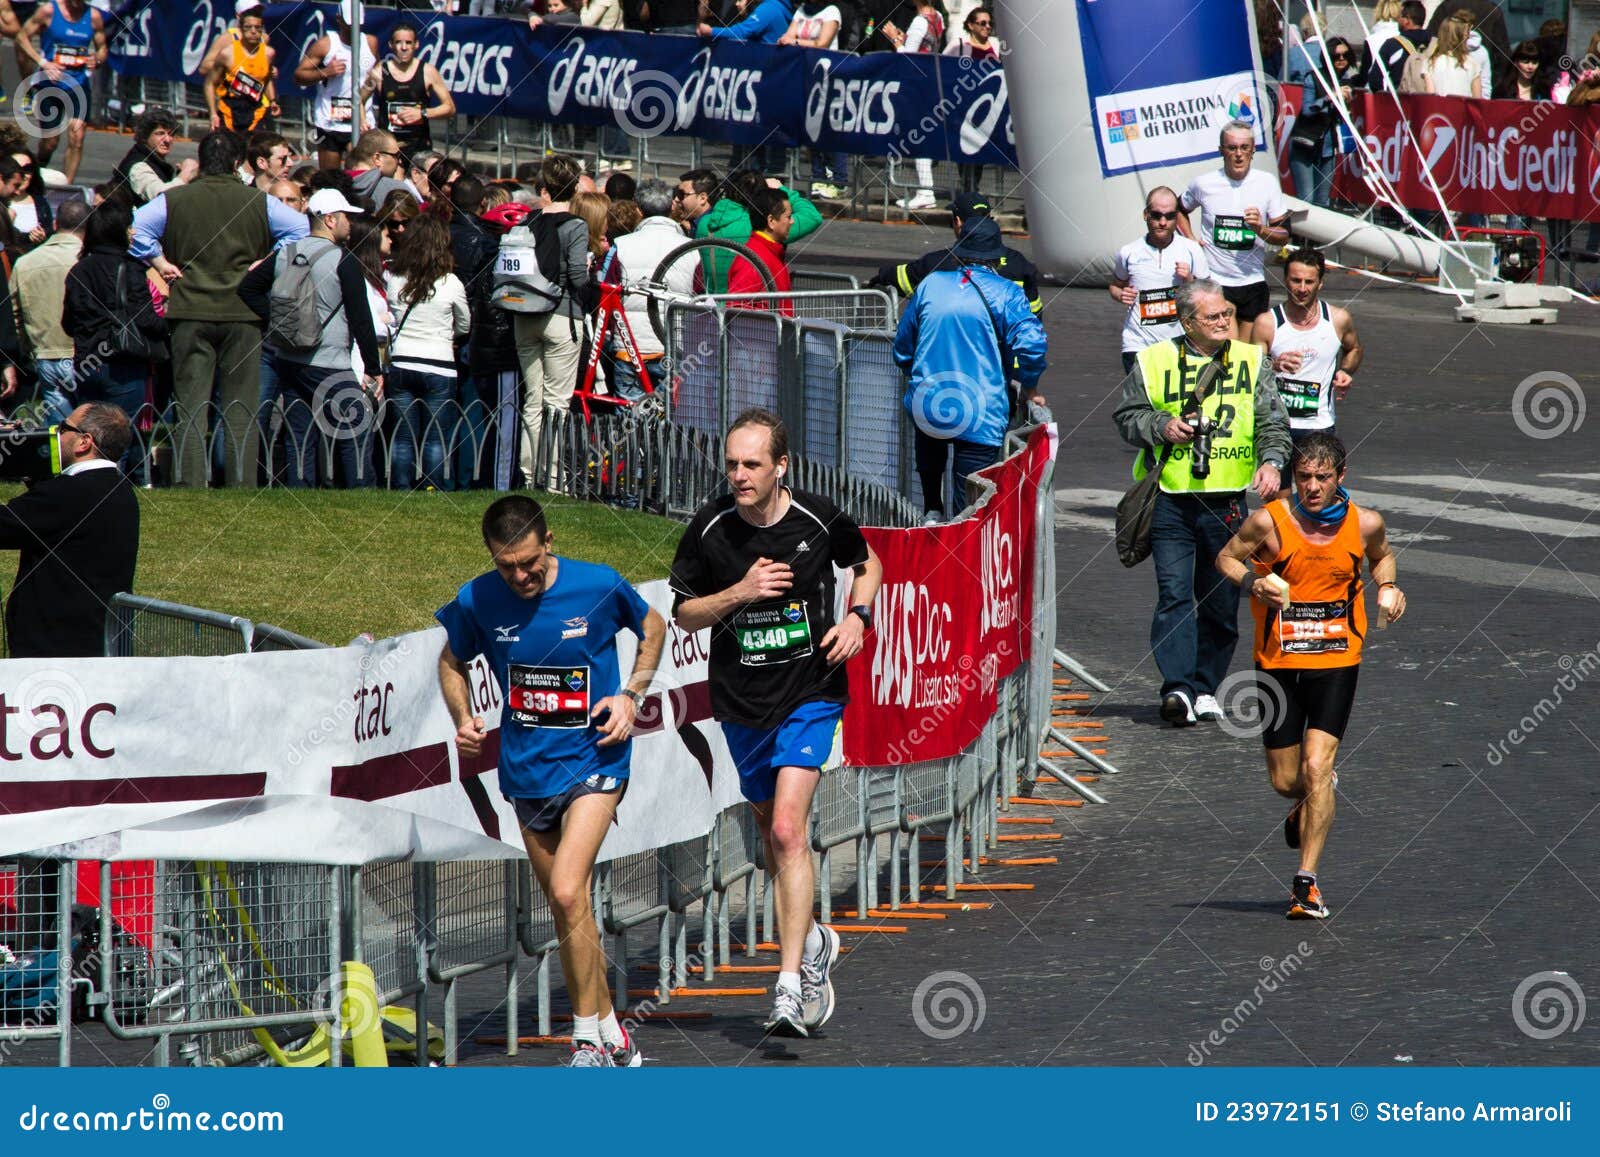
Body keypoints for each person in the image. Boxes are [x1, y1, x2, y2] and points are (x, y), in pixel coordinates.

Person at [669, 408, 881, 1037]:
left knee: (789, 828)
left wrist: (857, 619)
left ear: (780, 466)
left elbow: (867, 564)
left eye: (752, 464)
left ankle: (790, 983)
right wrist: (741, 591)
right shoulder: (709, 527)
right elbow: (684, 614)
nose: (739, 475)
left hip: (811, 692)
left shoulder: (818, 517)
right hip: (742, 702)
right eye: (732, 464)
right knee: (770, 832)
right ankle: (813, 938)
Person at [438, 495, 665, 1065]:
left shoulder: (597, 585)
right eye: (506, 566)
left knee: (567, 889)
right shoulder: (477, 599)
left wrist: (631, 695)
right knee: (568, 910)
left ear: (549, 542)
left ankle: (585, 1039)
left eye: (529, 562)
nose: (520, 576)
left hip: (596, 760)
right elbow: (450, 661)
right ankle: (613, 1032)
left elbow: (654, 626)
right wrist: (463, 717)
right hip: (527, 772)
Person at [1215, 432, 1405, 920]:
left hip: (1336, 660)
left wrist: (1388, 586)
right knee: (1286, 780)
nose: (1313, 487)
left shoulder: (1365, 523)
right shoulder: (1269, 521)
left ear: (1341, 476)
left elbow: (1382, 555)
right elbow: (1226, 557)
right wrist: (1253, 582)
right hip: (1277, 662)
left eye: (1323, 477)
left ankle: (1306, 884)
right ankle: (1310, 796)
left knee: (1316, 766)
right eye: (1303, 477)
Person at [1111, 278, 1291, 727]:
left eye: (1227, 313)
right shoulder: (1153, 359)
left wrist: (1271, 463)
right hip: (1171, 500)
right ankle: (1177, 688)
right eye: (1213, 316)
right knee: (1174, 595)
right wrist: (1161, 426)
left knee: (1220, 601)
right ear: (1187, 322)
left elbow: (1273, 421)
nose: (1225, 321)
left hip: (1227, 503)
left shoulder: (1252, 360)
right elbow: (1127, 417)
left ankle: (1205, 686)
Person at [130, 129, 309, 487]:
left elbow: (138, 230)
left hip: (189, 310)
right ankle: (240, 483)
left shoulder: (174, 199)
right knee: (240, 408)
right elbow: (300, 230)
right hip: (242, 313)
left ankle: (190, 481)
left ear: (201, 160)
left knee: (190, 406)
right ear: (237, 162)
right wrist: (267, 262)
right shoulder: (259, 202)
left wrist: (160, 262)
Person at [893, 218, 1047, 524]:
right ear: (996, 258)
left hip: (929, 401)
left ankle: (932, 509)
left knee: (930, 450)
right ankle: (959, 534)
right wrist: (1029, 387)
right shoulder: (1006, 292)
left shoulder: (931, 284)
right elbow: (1032, 345)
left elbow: (903, 346)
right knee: (969, 506)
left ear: (960, 252)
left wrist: (917, 374)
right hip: (981, 409)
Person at [236, 188, 383, 489]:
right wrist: (373, 367)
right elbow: (361, 319)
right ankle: (361, 491)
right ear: (330, 220)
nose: (350, 223)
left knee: (300, 434)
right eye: (346, 217)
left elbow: (247, 288)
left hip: (289, 359)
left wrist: (277, 322)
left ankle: (298, 491)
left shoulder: (286, 253)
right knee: (354, 428)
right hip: (329, 361)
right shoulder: (343, 260)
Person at [0, 401, 138, 658]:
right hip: (95, 642)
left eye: (63, 428)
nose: (55, 432)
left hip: (54, 651)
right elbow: (55, 520)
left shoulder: (68, 493)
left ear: (84, 442)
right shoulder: (119, 488)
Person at [63, 197, 166, 476]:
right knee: (120, 433)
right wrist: (168, 325)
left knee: (89, 434)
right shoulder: (130, 268)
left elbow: (68, 324)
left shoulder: (79, 269)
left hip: (87, 363)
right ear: (117, 230)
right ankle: (118, 484)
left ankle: (87, 481)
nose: (133, 232)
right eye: (129, 226)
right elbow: (145, 319)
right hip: (123, 364)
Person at [514, 154, 593, 488]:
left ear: (543, 187)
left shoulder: (526, 222)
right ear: (575, 188)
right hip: (562, 317)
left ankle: (529, 475)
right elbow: (577, 277)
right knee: (557, 403)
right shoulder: (575, 225)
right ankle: (554, 480)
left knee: (533, 401)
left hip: (524, 315)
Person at [1178, 122, 1291, 342]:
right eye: (1232, 148)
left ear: (1253, 150)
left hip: (1252, 280)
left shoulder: (1267, 183)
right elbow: (1179, 209)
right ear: (1221, 150)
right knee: (1225, 346)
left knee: (1246, 352)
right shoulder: (1204, 183)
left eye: (1244, 147)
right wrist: (1190, 240)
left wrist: (1260, 228)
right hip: (1216, 280)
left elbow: (1284, 236)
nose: (1238, 154)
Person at [384, 213, 467, 490]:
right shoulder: (451, 282)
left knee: (402, 436)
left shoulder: (395, 279)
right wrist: (447, 335)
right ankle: (433, 489)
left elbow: (395, 317)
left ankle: (401, 488)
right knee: (435, 438)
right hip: (439, 364)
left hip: (402, 362)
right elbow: (464, 324)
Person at [1251, 248, 1361, 450]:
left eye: (1309, 282)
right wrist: (1273, 365)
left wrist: (1345, 371)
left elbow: (1354, 349)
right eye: (1296, 280)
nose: (1302, 288)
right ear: (1285, 280)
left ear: (1320, 283)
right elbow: (1249, 370)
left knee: (1318, 473)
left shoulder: (1338, 319)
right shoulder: (1266, 323)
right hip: (1274, 425)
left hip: (1319, 426)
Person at [869, 191, 1040, 314]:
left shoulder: (936, 263)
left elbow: (901, 276)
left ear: (957, 222)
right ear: (990, 219)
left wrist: (881, 276)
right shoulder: (1020, 264)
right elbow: (1034, 314)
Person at [1109, 186, 1208, 375]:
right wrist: (1120, 294)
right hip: (1138, 344)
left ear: (1176, 217)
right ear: (1146, 214)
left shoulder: (1192, 250)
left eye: (1170, 216)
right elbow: (1115, 286)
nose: (1163, 222)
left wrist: (1190, 280)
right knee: (1142, 395)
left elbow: (1210, 296)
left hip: (1179, 344)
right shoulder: (1128, 252)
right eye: (1156, 215)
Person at [9, 196, 87, 425]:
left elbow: (14, 315)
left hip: (45, 355)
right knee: (90, 425)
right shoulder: (88, 261)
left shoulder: (25, 262)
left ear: (55, 224)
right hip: (85, 355)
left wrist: (26, 348)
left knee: (58, 429)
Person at [611, 178, 691, 400]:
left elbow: (609, 294)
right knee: (670, 413)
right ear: (672, 206)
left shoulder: (621, 245)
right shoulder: (691, 247)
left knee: (630, 413)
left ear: (638, 209)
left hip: (629, 347)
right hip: (673, 346)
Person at [16, 0, 105, 185]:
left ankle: (68, 187)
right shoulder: (48, 11)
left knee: (77, 137)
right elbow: (22, 37)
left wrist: (97, 59)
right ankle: (35, 172)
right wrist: (43, 62)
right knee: (50, 142)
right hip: (50, 83)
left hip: (78, 83)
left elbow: (103, 48)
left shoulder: (93, 16)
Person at [696, 171, 821, 293]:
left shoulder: (704, 223)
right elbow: (813, 217)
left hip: (711, 301)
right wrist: (781, 192)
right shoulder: (761, 224)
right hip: (748, 303)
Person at [295, 0, 381, 171]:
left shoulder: (371, 42)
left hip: (361, 121)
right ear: (338, 19)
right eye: (349, 24)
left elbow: (376, 72)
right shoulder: (326, 44)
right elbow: (299, 76)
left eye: (357, 24)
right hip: (330, 121)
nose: (353, 28)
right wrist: (326, 72)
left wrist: (370, 88)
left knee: (362, 173)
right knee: (330, 176)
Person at [359, 19, 454, 166]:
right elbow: (359, 99)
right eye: (398, 42)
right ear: (391, 45)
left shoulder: (428, 71)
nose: (403, 48)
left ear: (416, 45)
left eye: (408, 43)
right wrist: (362, 121)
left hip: (419, 146)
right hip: (389, 148)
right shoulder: (379, 72)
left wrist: (422, 113)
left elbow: (449, 108)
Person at [780, 1, 847, 197]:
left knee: (830, 130)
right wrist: (792, 40)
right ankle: (818, 177)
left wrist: (795, 42)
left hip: (827, 77)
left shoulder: (832, 11)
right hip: (805, 77)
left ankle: (839, 181)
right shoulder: (802, 10)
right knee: (810, 129)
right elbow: (787, 35)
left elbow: (822, 43)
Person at [884, 0, 945, 210]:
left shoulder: (920, 21)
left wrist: (895, 39)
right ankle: (925, 191)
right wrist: (904, 39)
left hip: (918, 84)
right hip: (928, 80)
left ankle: (926, 192)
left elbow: (908, 59)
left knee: (919, 137)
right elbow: (922, 49)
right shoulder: (937, 16)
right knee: (921, 136)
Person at [942, 6, 1000, 194]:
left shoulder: (996, 45)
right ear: (970, 25)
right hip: (962, 107)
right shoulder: (958, 45)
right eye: (982, 23)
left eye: (989, 23)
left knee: (980, 150)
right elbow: (940, 66)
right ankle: (969, 189)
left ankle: (972, 187)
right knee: (963, 150)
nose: (987, 27)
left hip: (987, 107)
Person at [201, 1, 278, 135]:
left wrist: (273, 100)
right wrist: (233, 70)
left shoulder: (266, 44)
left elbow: (267, 77)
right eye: (248, 26)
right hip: (230, 106)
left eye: (258, 12)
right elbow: (204, 70)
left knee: (260, 144)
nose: (253, 31)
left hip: (257, 105)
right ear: (239, 19)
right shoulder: (227, 42)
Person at [1286, 11, 1335, 208]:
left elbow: (1279, 85)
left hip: (1303, 132)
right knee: (1322, 203)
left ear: (1304, 32)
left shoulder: (1294, 54)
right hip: (1323, 136)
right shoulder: (1332, 56)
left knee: (1305, 201)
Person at [726, 186, 793, 310]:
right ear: (771, 221)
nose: (792, 221)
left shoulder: (769, 250)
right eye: (788, 217)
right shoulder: (754, 257)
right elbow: (735, 307)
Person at [1368, 0, 1430, 92]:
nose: (1397, 20)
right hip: (1428, 98)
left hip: (1399, 97)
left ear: (1407, 20)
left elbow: (1375, 79)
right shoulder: (1435, 44)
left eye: (1399, 17)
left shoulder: (1392, 44)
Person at [346, 129, 412, 208]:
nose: (399, 161)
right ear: (377, 158)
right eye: (396, 155)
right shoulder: (397, 190)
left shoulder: (335, 186)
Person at [1425, 13, 1482, 98]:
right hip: (1464, 106)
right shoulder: (1473, 63)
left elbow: (1431, 97)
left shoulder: (1430, 62)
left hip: (1440, 106)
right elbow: (1477, 100)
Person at [673, 168, 718, 233]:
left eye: (681, 194)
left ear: (702, 198)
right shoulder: (695, 225)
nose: (676, 199)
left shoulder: (713, 230)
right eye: (677, 193)